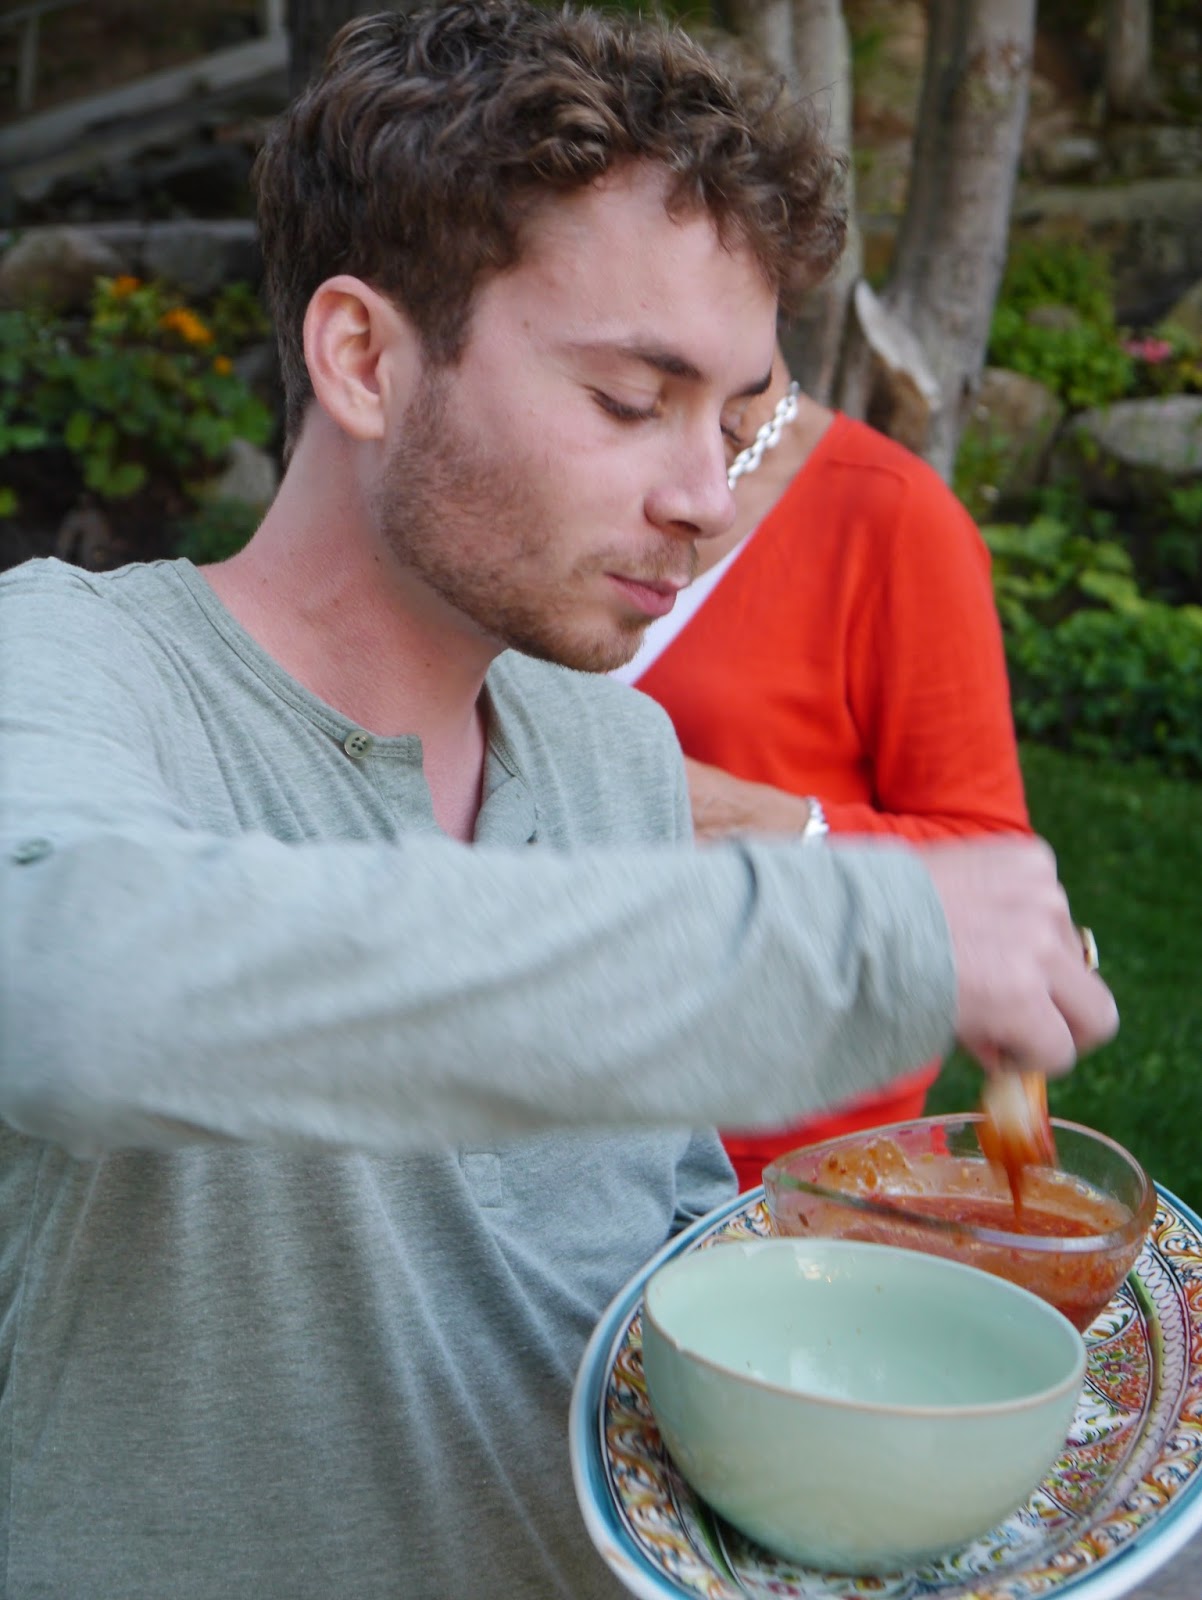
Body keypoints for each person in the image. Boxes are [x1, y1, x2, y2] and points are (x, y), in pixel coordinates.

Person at [0, 5, 1116, 1597]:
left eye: (733, 422)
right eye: (627, 402)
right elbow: (70, 992)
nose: (706, 498)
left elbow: (649, 1265)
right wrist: (842, 922)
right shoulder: (69, 662)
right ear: (365, 358)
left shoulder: (612, 756)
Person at [617, 350, 1032, 1188]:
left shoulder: (893, 516)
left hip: (781, 1148)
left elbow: (991, 864)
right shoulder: (550, 458)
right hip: (537, 1100)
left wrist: (750, 819)